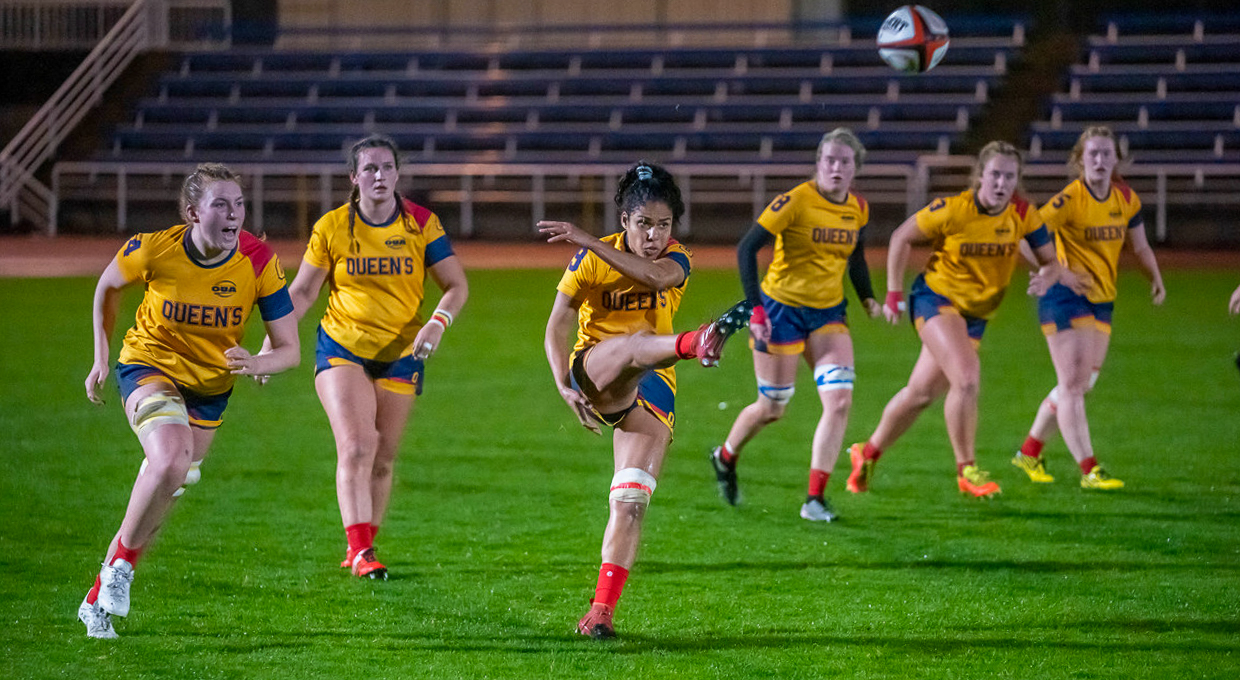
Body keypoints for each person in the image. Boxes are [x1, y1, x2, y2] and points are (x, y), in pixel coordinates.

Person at [78, 163, 300, 639]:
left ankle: (101, 592)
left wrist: (257, 364)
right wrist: (101, 358)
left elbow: (290, 350)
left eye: (239, 204)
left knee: (173, 480)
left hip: (210, 389)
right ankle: (120, 571)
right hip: (148, 366)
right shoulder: (153, 248)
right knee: (171, 458)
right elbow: (107, 287)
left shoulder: (258, 260)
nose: (234, 214)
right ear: (193, 212)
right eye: (221, 204)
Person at [541, 162, 749, 639]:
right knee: (635, 343)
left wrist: (586, 239)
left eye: (663, 225)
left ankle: (600, 612)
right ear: (624, 222)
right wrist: (561, 383)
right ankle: (697, 341)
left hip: (653, 383)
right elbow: (556, 323)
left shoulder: (678, 260)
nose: (655, 234)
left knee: (631, 500)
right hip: (596, 366)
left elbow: (656, 280)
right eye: (643, 224)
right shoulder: (591, 259)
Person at [274, 135, 468, 581]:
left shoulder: (422, 223)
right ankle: (361, 553)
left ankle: (363, 546)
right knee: (358, 445)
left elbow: (456, 285)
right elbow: (304, 291)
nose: (379, 176)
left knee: (382, 457)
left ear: (398, 174)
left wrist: (437, 322)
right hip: (343, 347)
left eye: (386, 168)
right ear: (353, 178)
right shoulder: (332, 227)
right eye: (369, 169)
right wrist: (276, 337)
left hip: (402, 352)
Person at [845, 141, 1079, 499]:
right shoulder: (954, 209)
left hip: (976, 314)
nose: (1001, 183)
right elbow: (901, 236)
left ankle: (868, 452)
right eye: (995, 174)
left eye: (1009, 176)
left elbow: (1050, 261)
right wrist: (893, 292)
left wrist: (1049, 274)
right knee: (967, 379)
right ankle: (966, 469)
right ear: (980, 176)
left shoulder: (1022, 214)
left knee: (920, 394)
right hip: (935, 299)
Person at [707, 128, 881, 522]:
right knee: (772, 407)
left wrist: (868, 296)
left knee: (839, 401)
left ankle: (814, 499)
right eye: (829, 160)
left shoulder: (858, 208)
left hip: (828, 315)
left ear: (856, 168)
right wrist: (756, 310)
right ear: (818, 164)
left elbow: (855, 257)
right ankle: (725, 456)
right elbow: (747, 248)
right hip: (781, 311)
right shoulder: (795, 202)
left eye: (844, 161)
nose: (836, 167)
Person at [1011, 126, 1165, 490]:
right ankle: (1089, 469)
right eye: (1092, 154)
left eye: (1105, 154)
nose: (1099, 160)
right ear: (1080, 161)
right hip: (1064, 298)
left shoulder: (1126, 199)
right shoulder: (1070, 199)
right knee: (1073, 386)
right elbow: (1023, 236)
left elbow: (1140, 247)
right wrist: (1056, 272)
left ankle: (1029, 452)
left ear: (1116, 160)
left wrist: (1154, 276)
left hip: (1101, 298)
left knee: (1082, 383)